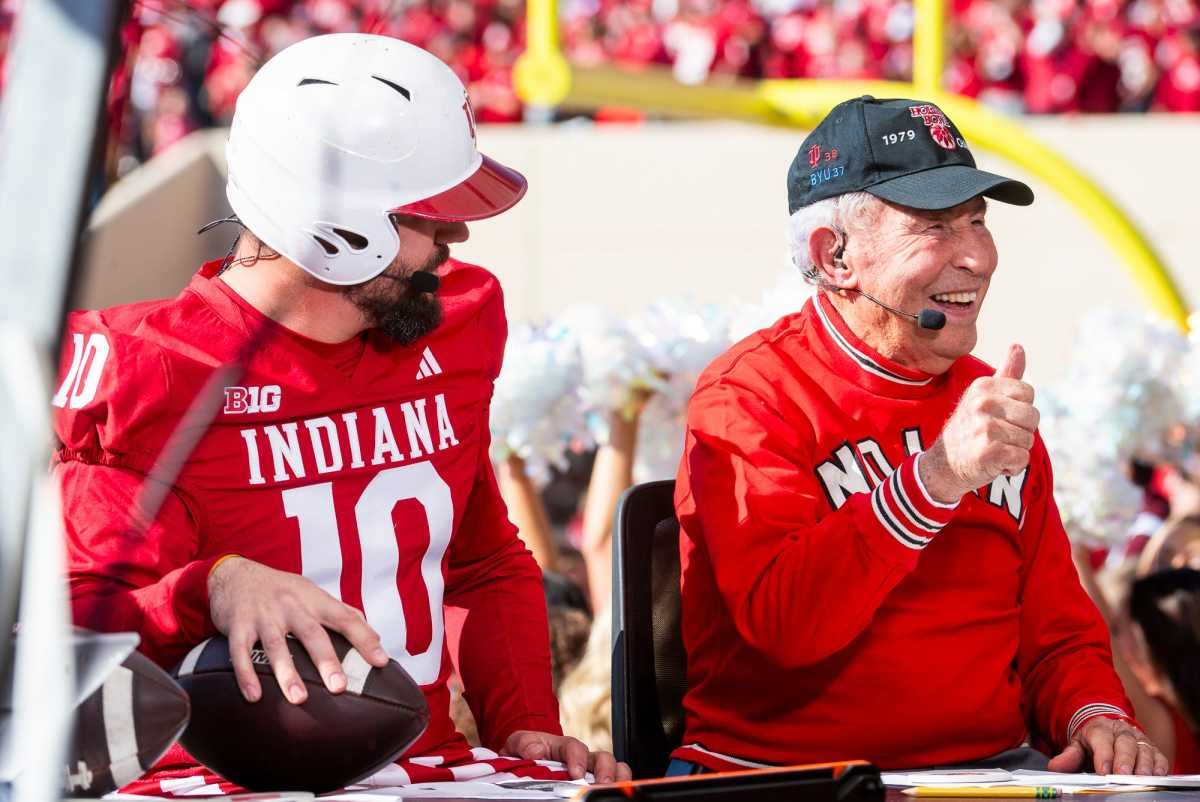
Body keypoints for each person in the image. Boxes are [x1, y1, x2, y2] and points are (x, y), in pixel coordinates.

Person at [53, 33, 627, 794]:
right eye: (429, 217)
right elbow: (68, 631)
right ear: (337, 226)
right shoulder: (151, 371)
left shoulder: (457, 323)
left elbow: (483, 561)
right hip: (217, 783)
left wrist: (525, 721)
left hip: (430, 772)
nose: (457, 236)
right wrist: (214, 585)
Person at [670, 96, 1169, 777]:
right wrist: (934, 480)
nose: (977, 257)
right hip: (786, 779)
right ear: (834, 256)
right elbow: (785, 624)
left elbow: (1057, 634)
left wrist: (1096, 714)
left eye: (977, 221)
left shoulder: (988, 397)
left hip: (990, 774)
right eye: (935, 227)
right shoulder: (750, 394)